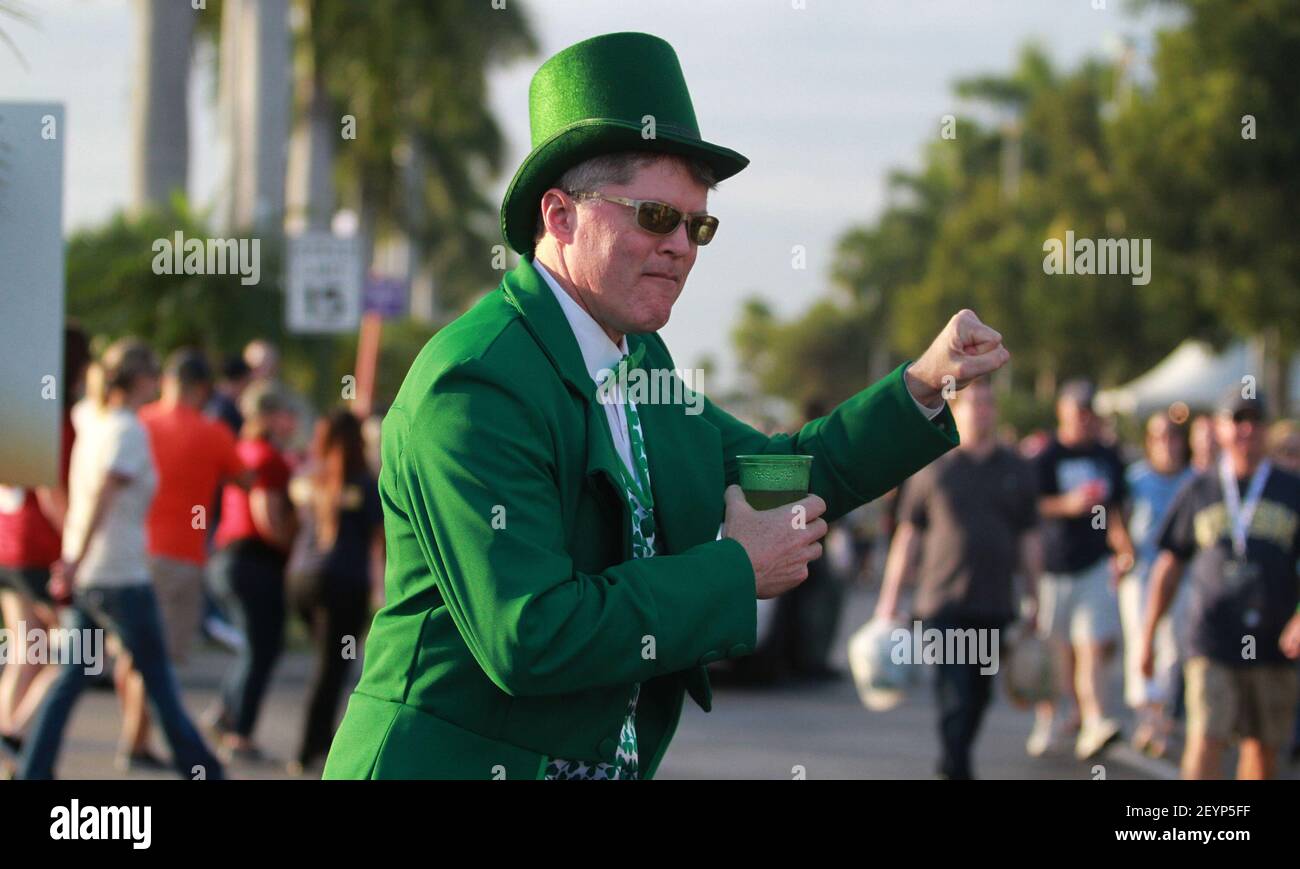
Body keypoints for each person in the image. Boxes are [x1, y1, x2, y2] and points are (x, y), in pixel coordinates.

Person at [323, 31, 1009, 780]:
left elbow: (776, 472)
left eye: (698, 225)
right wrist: (735, 569)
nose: (682, 245)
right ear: (559, 216)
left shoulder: (637, 359)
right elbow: (531, 632)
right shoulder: (479, 383)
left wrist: (926, 382)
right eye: (655, 216)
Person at [16, 338, 224, 780]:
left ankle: (34, 768)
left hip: (93, 572)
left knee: (73, 676)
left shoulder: (93, 421)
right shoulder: (127, 430)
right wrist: (74, 558)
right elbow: (103, 499)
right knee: (160, 679)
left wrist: (74, 558)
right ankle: (204, 769)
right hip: (120, 574)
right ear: (143, 378)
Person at [875, 378, 1042, 778]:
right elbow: (909, 536)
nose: (982, 411)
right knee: (956, 693)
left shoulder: (1016, 468)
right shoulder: (934, 468)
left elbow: (1030, 539)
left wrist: (1036, 599)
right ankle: (956, 769)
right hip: (943, 603)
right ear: (958, 410)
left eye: (988, 404)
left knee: (979, 697)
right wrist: (889, 600)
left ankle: (954, 761)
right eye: (974, 404)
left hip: (994, 604)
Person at [1141, 389, 1300, 779]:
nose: (1246, 429)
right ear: (1221, 428)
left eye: (1254, 420)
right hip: (1212, 637)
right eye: (1237, 420)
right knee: (1205, 737)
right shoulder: (1201, 488)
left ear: (1265, 429)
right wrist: (1147, 635)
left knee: (1263, 748)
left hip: (1274, 640)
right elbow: (1170, 563)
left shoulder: (1291, 488)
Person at [117, 349, 248, 770]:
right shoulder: (212, 433)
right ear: (203, 389)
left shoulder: (139, 422)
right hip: (180, 556)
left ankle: (134, 735)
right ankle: (136, 743)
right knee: (156, 658)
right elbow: (247, 478)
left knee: (129, 653)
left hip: (133, 552)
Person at [1029, 379, 1137, 760]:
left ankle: (1094, 719)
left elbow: (1117, 509)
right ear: (1063, 413)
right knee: (1056, 654)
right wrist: (1067, 504)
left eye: (1091, 414)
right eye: (1079, 413)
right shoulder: (1046, 457)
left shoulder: (1108, 456)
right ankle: (1049, 719)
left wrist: (1124, 547)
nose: (1086, 421)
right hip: (1055, 567)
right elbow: (1034, 506)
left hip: (1094, 565)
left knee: (1093, 647)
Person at [0, 326, 90, 759]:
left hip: (8, 545)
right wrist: (77, 548)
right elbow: (53, 493)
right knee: (75, 653)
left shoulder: (18, 410)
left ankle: (8, 744)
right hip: (40, 548)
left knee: (25, 652)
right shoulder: (54, 418)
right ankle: (17, 733)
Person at [284, 410, 384, 775]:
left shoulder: (311, 478)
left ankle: (317, 741)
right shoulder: (365, 483)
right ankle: (310, 748)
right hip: (342, 582)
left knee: (325, 666)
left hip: (301, 579)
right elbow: (379, 543)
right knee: (332, 671)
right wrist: (380, 591)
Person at [206, 381, 298, 761]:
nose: (290, 421)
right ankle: (238, 732)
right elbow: (267, 518)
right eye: (283, 414)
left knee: (252, 647)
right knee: (262, 648)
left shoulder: (240, 448)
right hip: (254, 561)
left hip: (226, 558)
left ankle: (225, 713)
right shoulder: (268, 457)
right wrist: (293, 549)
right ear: (269, 416)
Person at [1117, 412, 1194, 759]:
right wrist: (1123, 551)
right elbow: (1116, 517)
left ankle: (1163, 720)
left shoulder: (1194, 481)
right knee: (1140, 643)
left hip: (1181, 576)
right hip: (1143, 574)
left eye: (1173, 437)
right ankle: (1146, 717)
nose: (1166, 444)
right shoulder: (1136, 479)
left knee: (1173, 647)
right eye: (1159, 437)